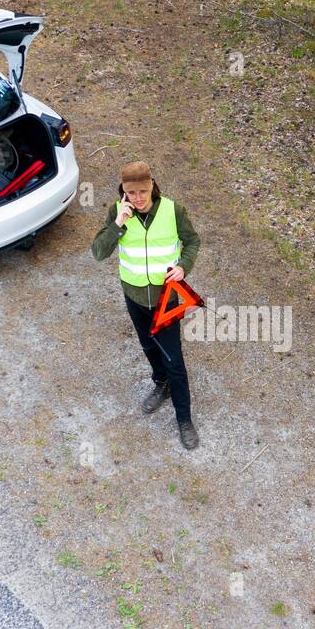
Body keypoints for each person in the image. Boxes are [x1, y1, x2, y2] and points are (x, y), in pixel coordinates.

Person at [91, 161, 201, 449]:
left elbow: (192, 241)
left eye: (142, 190)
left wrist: (183, 267)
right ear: (123, 191)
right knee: (149, 346)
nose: (138, 198)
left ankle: (184, 419)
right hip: (134, 297)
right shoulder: (118, 212)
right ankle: (160, 384)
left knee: (174, 360)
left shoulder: (173, 210)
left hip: (166, 299)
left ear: (152, 184)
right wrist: (118, 224)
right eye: (131, 192)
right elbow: (98, 253)